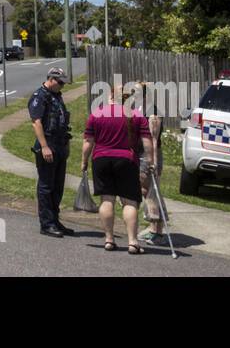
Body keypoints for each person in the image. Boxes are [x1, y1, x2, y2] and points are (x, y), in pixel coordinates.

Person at [81, 83, 154, 254]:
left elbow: (88, 142)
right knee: (129, 201)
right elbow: (147, 142)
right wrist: (150, 161)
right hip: (126, 161)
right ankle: (132, 242)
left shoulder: (97, 114)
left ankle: (109, 239)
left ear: (110, 97)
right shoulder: (136, 115)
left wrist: (84, 161)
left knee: (107, 199)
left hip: (101, 159)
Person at [28, 67, 73, 237]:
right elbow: (36, 122)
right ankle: (46, 223)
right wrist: (44, 146)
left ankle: (55, 219)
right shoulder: (40, 96)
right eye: (60, 82)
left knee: (58, 185)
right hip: (48, 144)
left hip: (60, 144)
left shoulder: (56, 96)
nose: (62, 86)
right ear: (51, 79)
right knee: (46, 186)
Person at [133, 82, 166, 245]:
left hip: (150, 155)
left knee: (151, 192)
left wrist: (152, 162)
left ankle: (157, 232)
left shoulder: (153, 113)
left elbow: (153, 140)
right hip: (141, 154)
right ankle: (153, 228)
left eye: (138, 93)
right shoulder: (140, 110)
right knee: (146, 191)